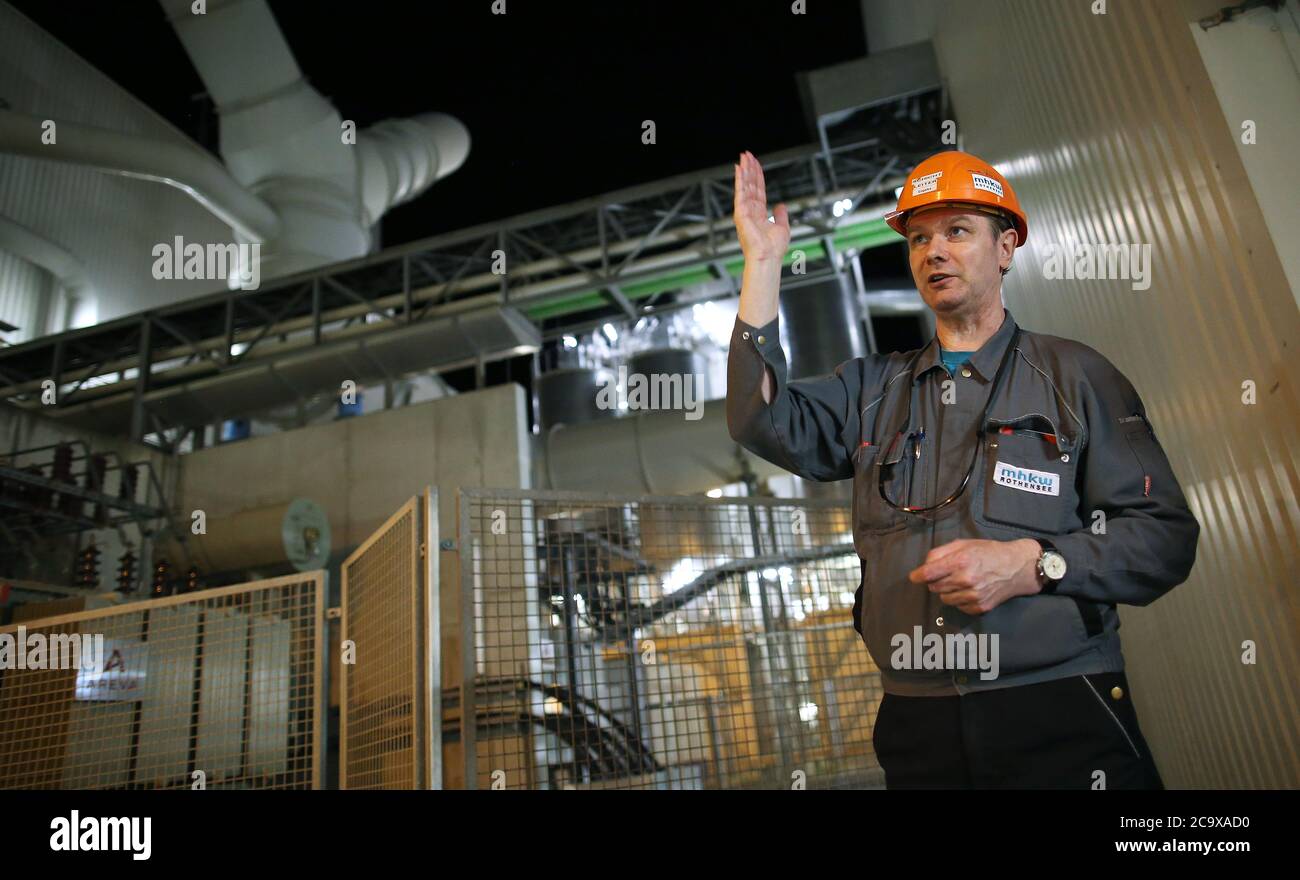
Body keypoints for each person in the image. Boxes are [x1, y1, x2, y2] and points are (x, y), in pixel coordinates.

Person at [726, 149, 1200, 789]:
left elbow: (1165, 537)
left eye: (956, 231)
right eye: (919, 238)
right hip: (917, 723)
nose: (932, 251)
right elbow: (761, 419)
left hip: (1057, 706)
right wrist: (761, 265)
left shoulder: (1073, 377)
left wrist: (1037, 563)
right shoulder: (871, 389)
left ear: (1005, 247)